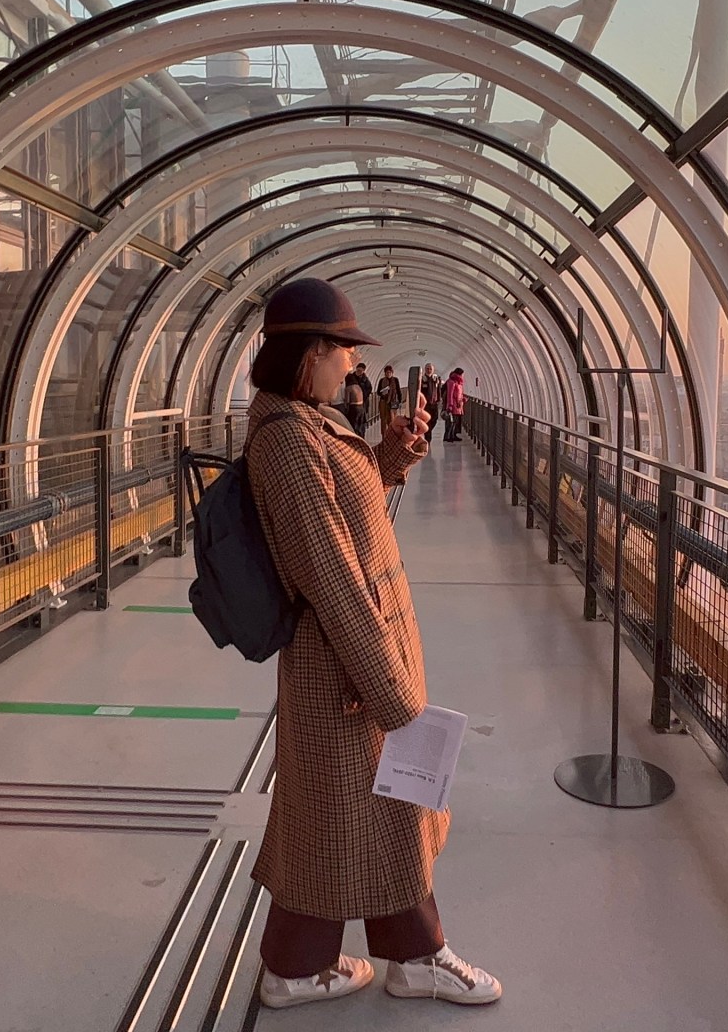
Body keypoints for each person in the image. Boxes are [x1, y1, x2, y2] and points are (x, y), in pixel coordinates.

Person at [244, 279, 502, 1010]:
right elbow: (330, 577)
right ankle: (411, 957)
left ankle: (305, 965)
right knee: (375, 812)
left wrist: (389, 459)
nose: (352, 367)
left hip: (350, 663)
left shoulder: (305, 425)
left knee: (343, 818)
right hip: (348, 669)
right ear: (308, 354)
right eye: (343, 352)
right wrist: (393, 695)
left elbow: (343, 522)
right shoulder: (290, 440)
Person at [443, 368, 467, 442]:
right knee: (451, 421)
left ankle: (453, 435)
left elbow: (459, 393)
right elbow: (450, 394)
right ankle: (448, 436)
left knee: (455, 421)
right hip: (453, 405)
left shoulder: (458, 382)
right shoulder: (451, 382)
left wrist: (463, 399)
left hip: (458, 405)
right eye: (462, 374)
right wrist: (450, 405)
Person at [376, 365, 403, 429]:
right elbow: (378, 392)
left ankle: (391, 433)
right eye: (387, 372)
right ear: (385, 373)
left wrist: (400, 401)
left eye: (389, 372)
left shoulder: (395, 380)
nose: (388, 374)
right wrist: (383, 392)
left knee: (392, 419)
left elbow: (398, 391)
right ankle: (384, 435)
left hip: (393, 401)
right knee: (383, 419)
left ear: (392, 373)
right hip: (383, 401)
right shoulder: (381, 380)